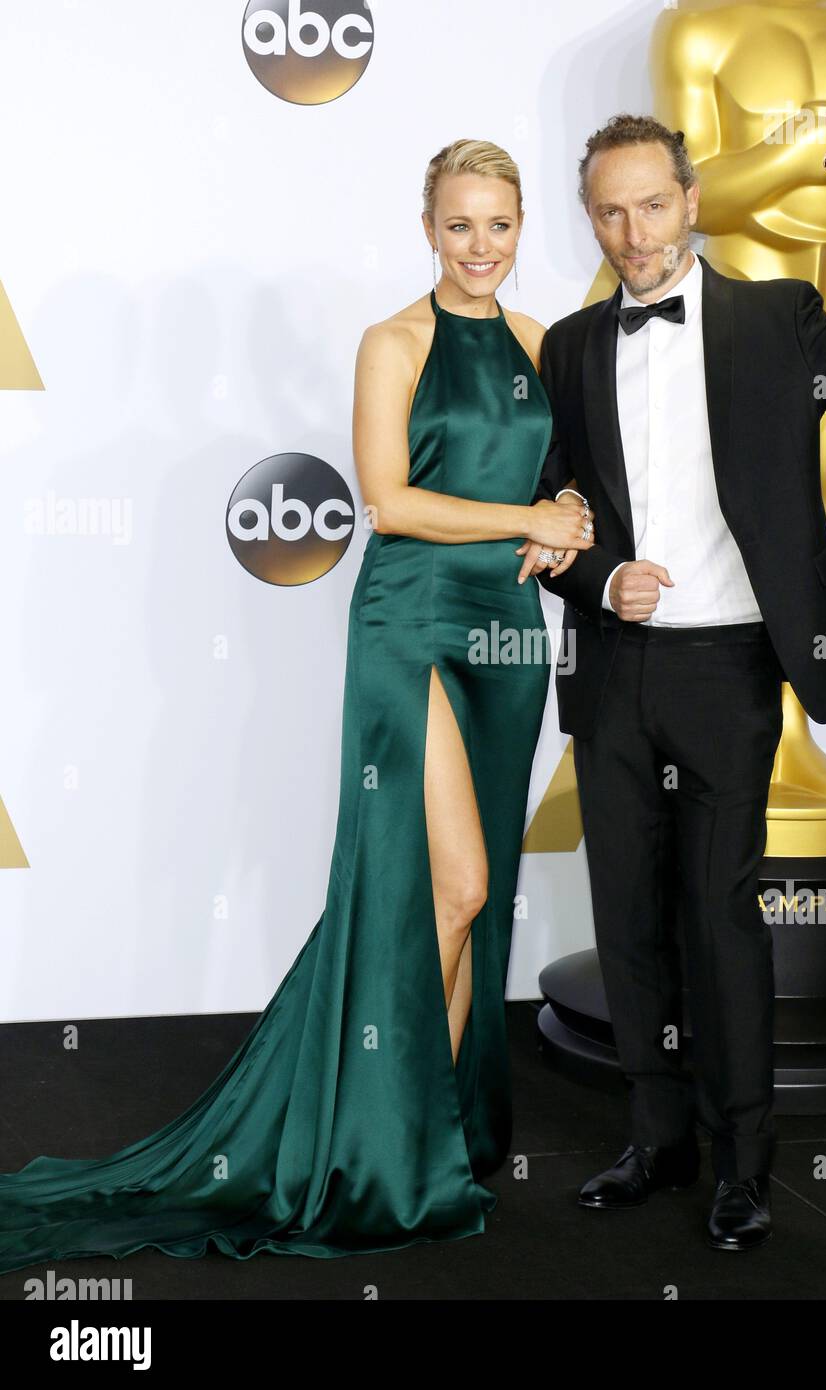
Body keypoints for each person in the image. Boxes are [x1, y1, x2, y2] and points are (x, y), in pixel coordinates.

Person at [0, 138, 593, 1275]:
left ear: (524, 228)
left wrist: (562, 503)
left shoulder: (542, 346)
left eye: (500, 225)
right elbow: (388, 498)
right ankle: (382, 1141)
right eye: (460, 225)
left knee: (470, 897)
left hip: (510, 641)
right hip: (409, 628)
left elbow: (568, 482)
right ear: (428, 227)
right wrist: (527, 521)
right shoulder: (395, 341)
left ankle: (419, 1134)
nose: (481, 247)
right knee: (452, 882)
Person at [519, 113, 826, 1250]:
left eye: (651, 205)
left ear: (690, 201)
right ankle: (654, 1141)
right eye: (609, 211)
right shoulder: (567, 347)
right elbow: (554, 520)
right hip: (616, 670)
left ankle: (742, 1163)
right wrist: (600, 575)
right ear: (592, 218)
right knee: (625, 919)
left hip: (728, 668)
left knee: (721, 920)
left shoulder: (775, 320)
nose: (632, 231)